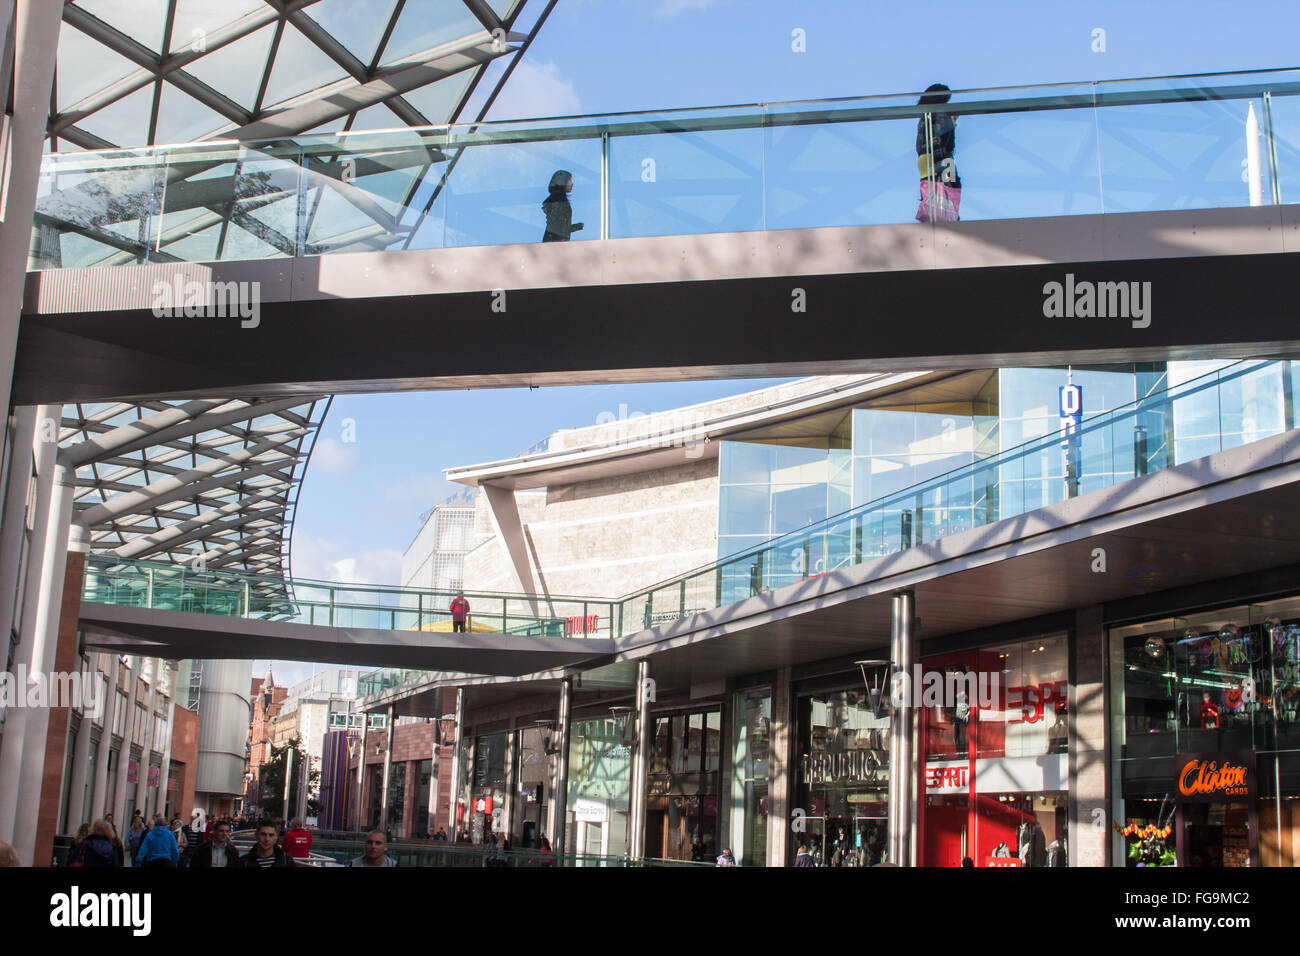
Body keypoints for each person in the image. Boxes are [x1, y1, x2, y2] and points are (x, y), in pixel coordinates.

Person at [915, 82, 961, 222]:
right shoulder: (940, 114)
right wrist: (951, 123)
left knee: (930, 190)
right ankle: (950, 219)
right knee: (950, 188)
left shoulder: (925, 116)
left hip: (925, 159)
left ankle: (931, 214)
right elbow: (939, 138)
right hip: (939, 157)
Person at [542, 170, 583, 242]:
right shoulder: (557, 200)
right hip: (554, 242)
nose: (571, 183)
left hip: (555, 241)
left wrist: (578, 226)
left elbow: (560, 226)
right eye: (569, 180)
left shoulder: (560, 199)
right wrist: (578, 227)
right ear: (562, 182)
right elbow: (556, 227)